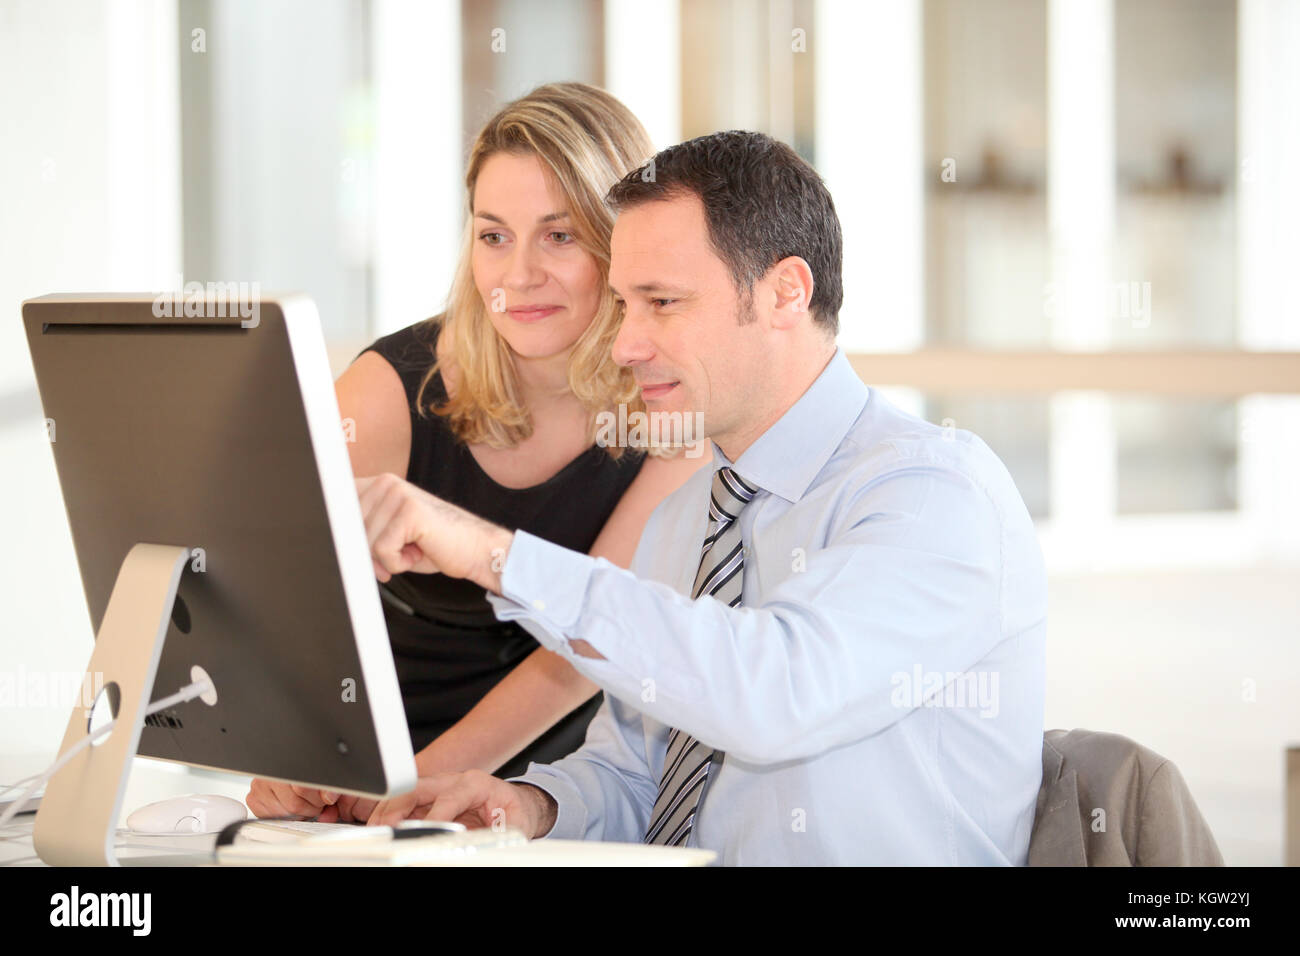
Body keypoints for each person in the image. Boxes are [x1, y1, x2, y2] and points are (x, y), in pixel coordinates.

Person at [356, 130, 1048, 865]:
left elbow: (773, 692)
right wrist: (525, 805)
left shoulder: (931, 497)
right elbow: (634, 775)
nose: (626, 344)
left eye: (663, 302)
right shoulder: (688, 517)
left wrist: (494, 555)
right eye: (625, 305)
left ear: (786, 292)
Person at [245, 83, 707, 823]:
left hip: (557, 794)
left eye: (559, 236)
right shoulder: (386, 392)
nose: (518, 276)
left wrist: (418, 787)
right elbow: (277, 602)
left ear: (621, 242)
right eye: (494, 236)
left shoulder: (671, 409)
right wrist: (296, 758)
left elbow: (588, 647)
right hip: (362, 767)